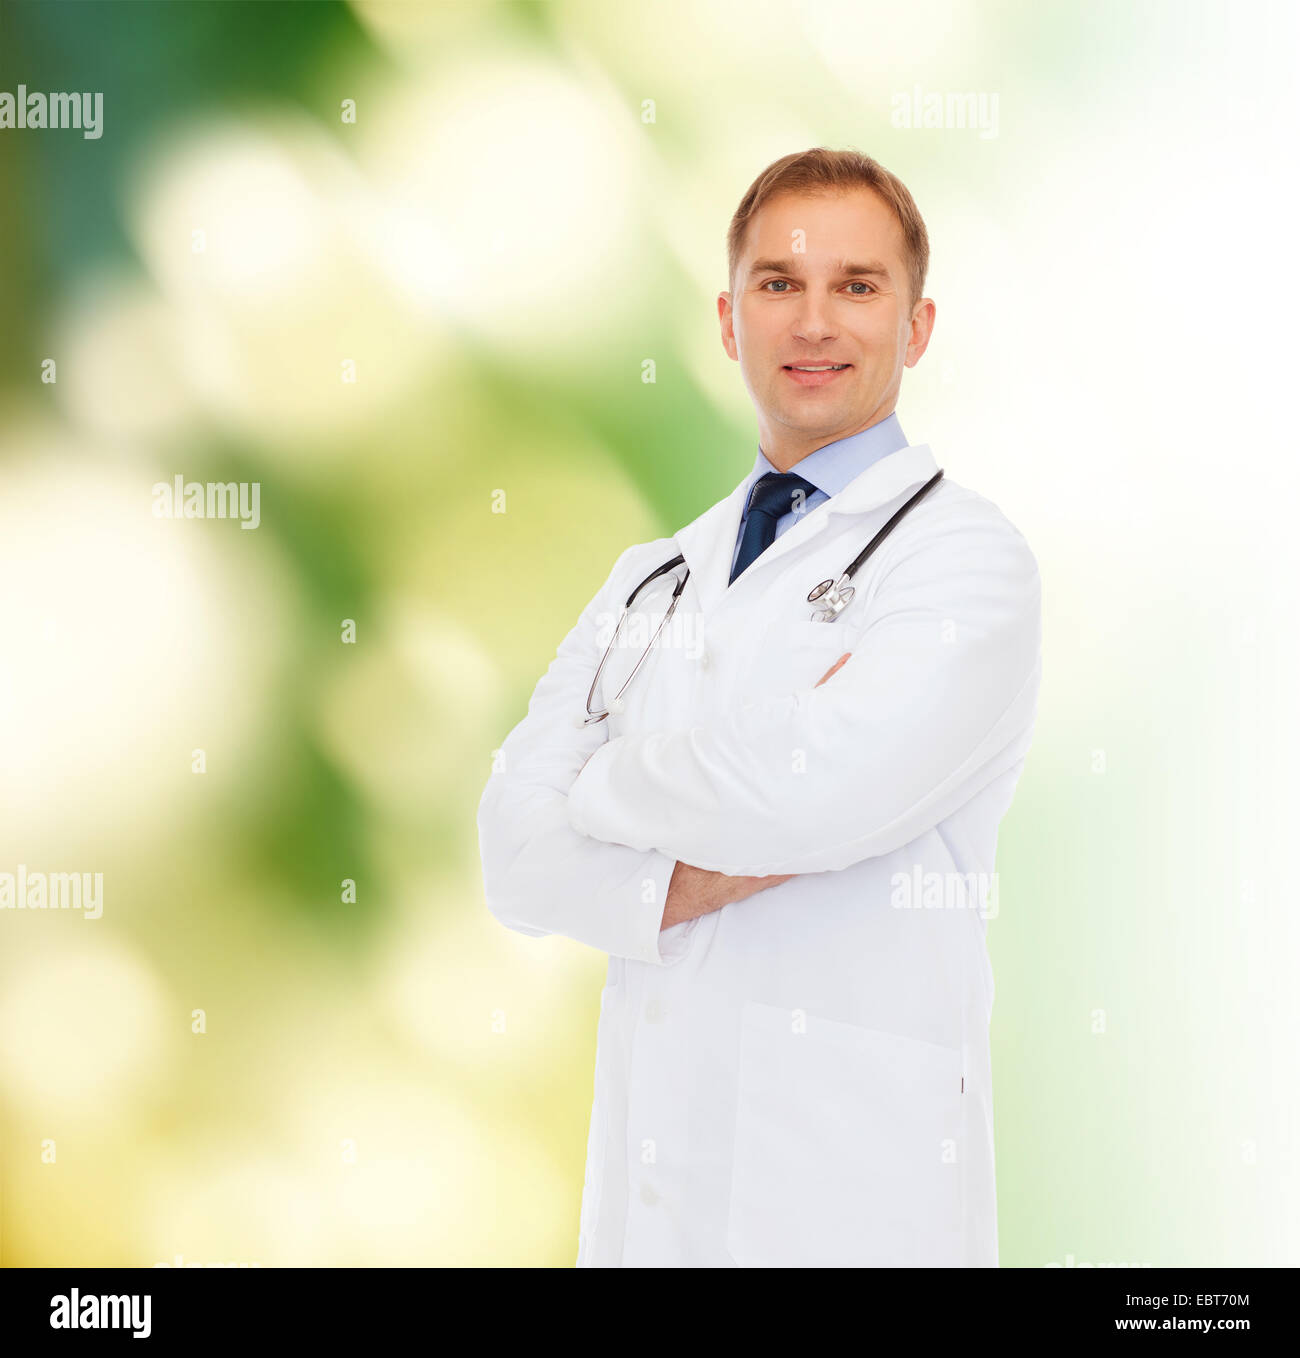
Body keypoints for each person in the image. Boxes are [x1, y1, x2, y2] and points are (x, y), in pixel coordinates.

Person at [477, 147, 1042, 1268]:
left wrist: (604, 781)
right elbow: (514, 852)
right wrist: (686, 856)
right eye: (777, 283)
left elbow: (814, 788)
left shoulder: (965, 560)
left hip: (851, 1194)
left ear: (917, 326)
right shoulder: (654, 573)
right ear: (729, 323)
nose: (814, 319)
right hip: (651, 1207)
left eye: (858, 284)